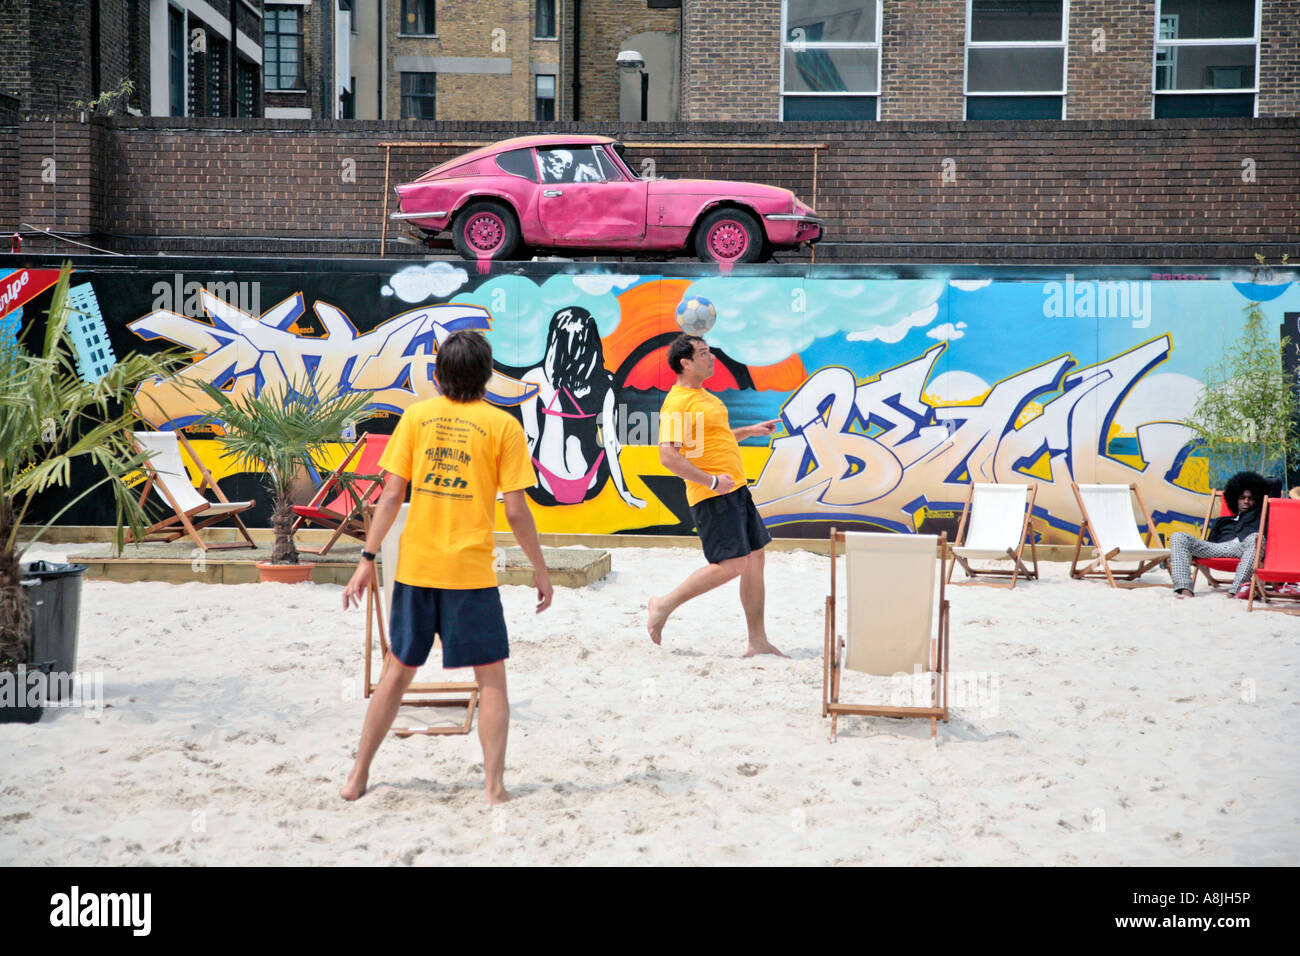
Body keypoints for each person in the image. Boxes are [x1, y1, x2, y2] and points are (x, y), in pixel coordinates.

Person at [340, 330, 553, 804]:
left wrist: (366, 561)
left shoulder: (417, 417)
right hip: (470, 575)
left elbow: (391, 496)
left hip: (416, 570)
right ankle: (494, 788)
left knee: (397, 671)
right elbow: (517, 511)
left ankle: (357, 777)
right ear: (488, 377)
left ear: (438, 377)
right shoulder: (504, 427)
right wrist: (540, 570)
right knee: (491, 678)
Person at [646, 334, 784, 656]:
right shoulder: (678, 402)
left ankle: (758, 641)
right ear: (686, 362)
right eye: (704, 353)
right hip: (713, 495)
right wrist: (710, 482)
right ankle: (663, 605)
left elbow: (714, 440)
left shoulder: (703, 397)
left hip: (735, 489)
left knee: (755, 560)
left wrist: (748, 431)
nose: (712, 358)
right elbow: (668, 456)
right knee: (733, 564)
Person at [1169, 470, 1268, 599]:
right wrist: (1195, 552)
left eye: (1250, 498)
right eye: (1242, 498)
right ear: (1235, 499)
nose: (1246, 501)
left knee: (1256, 537)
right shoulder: (1222, 521)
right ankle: (1184, 589)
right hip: (1218, 548)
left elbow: (1274, 485)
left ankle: (1236, 590)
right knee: (1178, 536)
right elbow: (1210, 543)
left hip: (1245, 548)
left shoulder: (1261, 516)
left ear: (1257, 501)